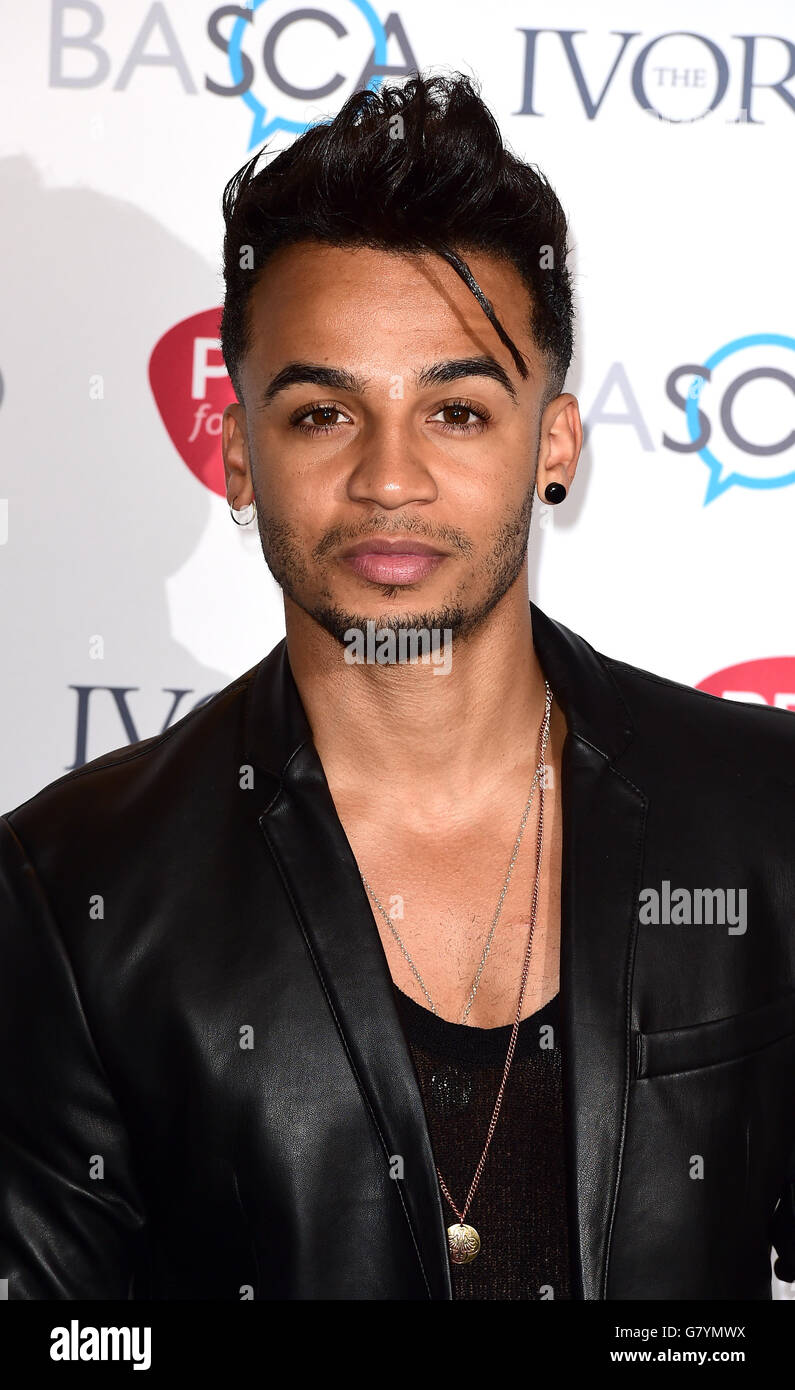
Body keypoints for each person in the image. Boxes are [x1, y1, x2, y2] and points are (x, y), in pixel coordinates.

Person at [2, 72, 794, 1302]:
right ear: (237, 456)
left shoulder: (762, 816)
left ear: (556, 446)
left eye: (458, 410)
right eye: (323, 412)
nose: (389, 478)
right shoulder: (73, 893)